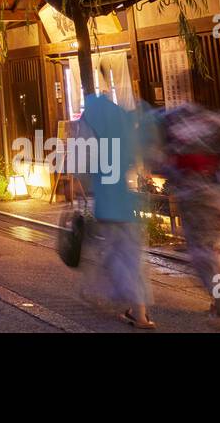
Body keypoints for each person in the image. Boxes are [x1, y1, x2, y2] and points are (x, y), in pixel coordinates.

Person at [154, 101, 220, 319]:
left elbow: (164, 162)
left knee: (201, 250)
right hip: (217, 193)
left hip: (191, 195)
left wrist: (173, 174)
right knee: (215, 247)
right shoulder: (218, 123)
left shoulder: (175, 126)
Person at [78, 92, 155, 330]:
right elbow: (138, 152)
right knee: (132, 258)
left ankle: (108, 295)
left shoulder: (90, 119)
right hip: (129, 201)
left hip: (108, 202)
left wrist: (83, 184)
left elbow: (84, 161)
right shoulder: (122, 121)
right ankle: (140, 312)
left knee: (115, 256)